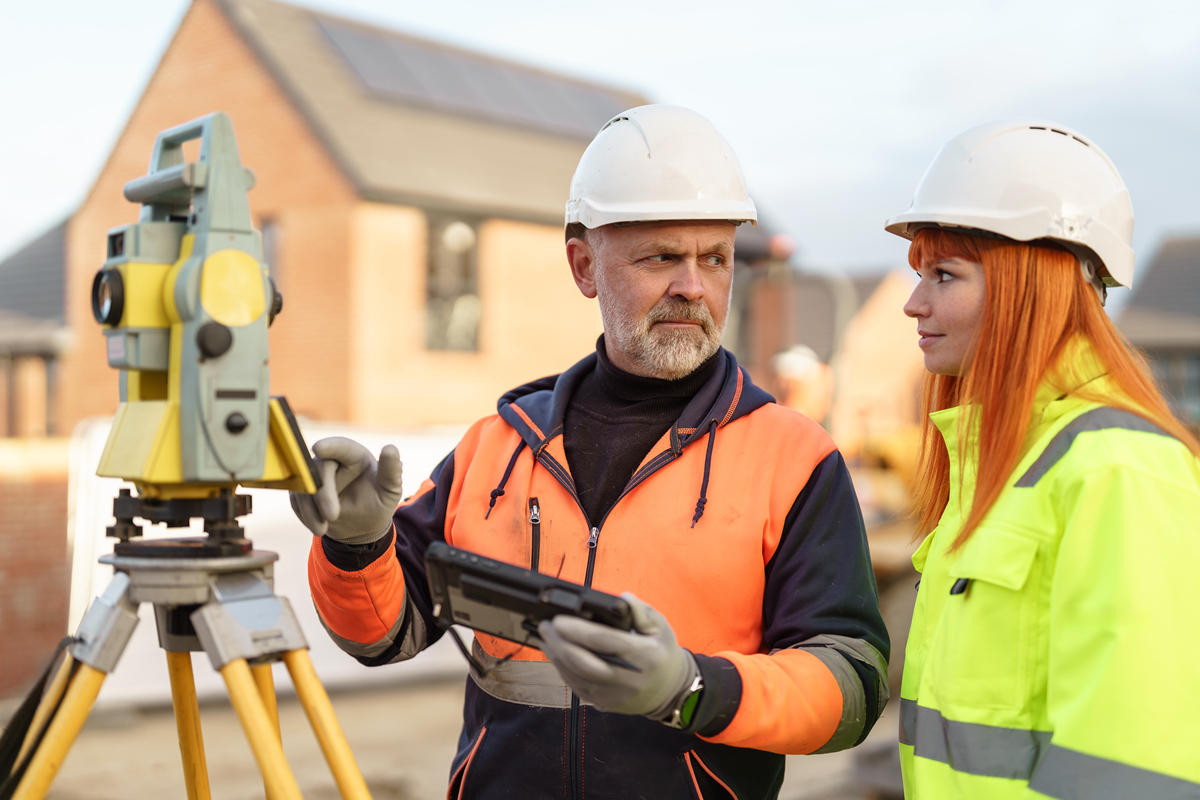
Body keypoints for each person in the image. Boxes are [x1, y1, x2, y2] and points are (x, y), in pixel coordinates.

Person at [290, 105, 889, 799]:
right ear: (583, 266)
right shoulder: (499, 446)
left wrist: (693, 687)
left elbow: (851, 685)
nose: (693, 287)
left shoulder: (795, 459)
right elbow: (381, 637)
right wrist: (357, 546)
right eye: (662, 257)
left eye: (714, 260)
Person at [886, 120, 1200, 798]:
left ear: (1034, 282)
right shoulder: (1007, 464)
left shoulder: (1117, 471)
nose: (915, 304)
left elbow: (1133, 775)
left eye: (944, 275)